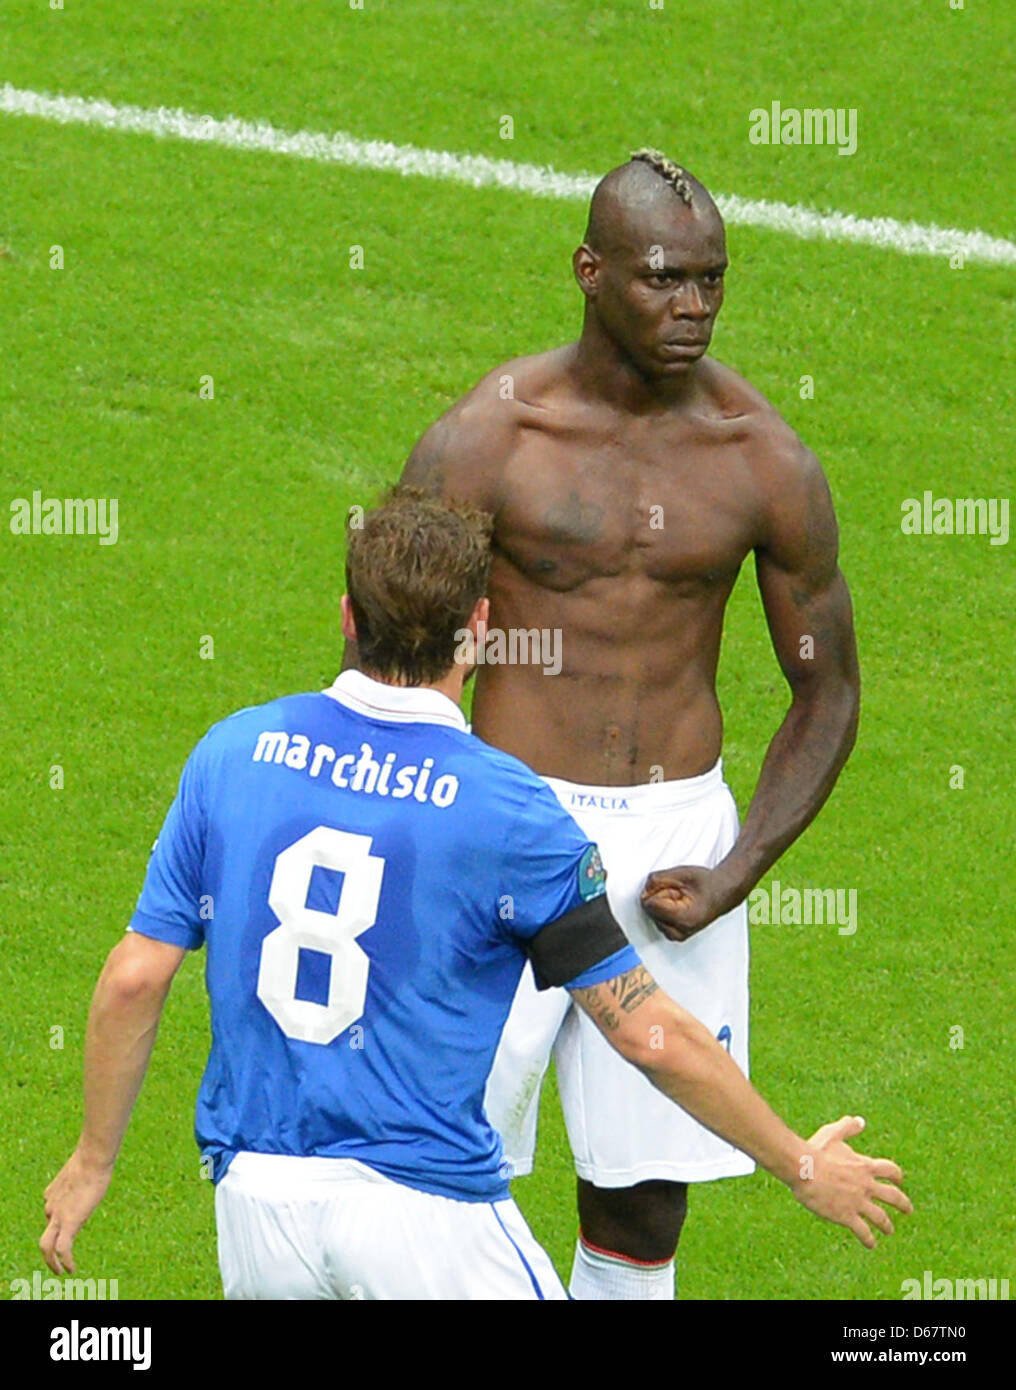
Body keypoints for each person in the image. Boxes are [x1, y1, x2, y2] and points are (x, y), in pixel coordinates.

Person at [40, 494, 905, 1300]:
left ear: (348, 618)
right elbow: (647, 1031)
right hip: (426, 1220)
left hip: (256, 1208)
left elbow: (131, 980)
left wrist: (91, 1161)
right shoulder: (511, 812)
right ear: (480, 631)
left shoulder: (231, 754)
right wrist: (799, 1164)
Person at [392, 149, 864, 1300]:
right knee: (450, 1164)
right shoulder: (491, 438)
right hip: (500, 824)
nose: (691, 308)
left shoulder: (761, 461)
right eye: (662, 280)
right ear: (588, 271)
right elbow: (401, 654)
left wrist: (735, 867)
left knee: (645, 1194)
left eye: (710, 281)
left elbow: (826, 689)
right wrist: (431, 833)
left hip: (671, 839)